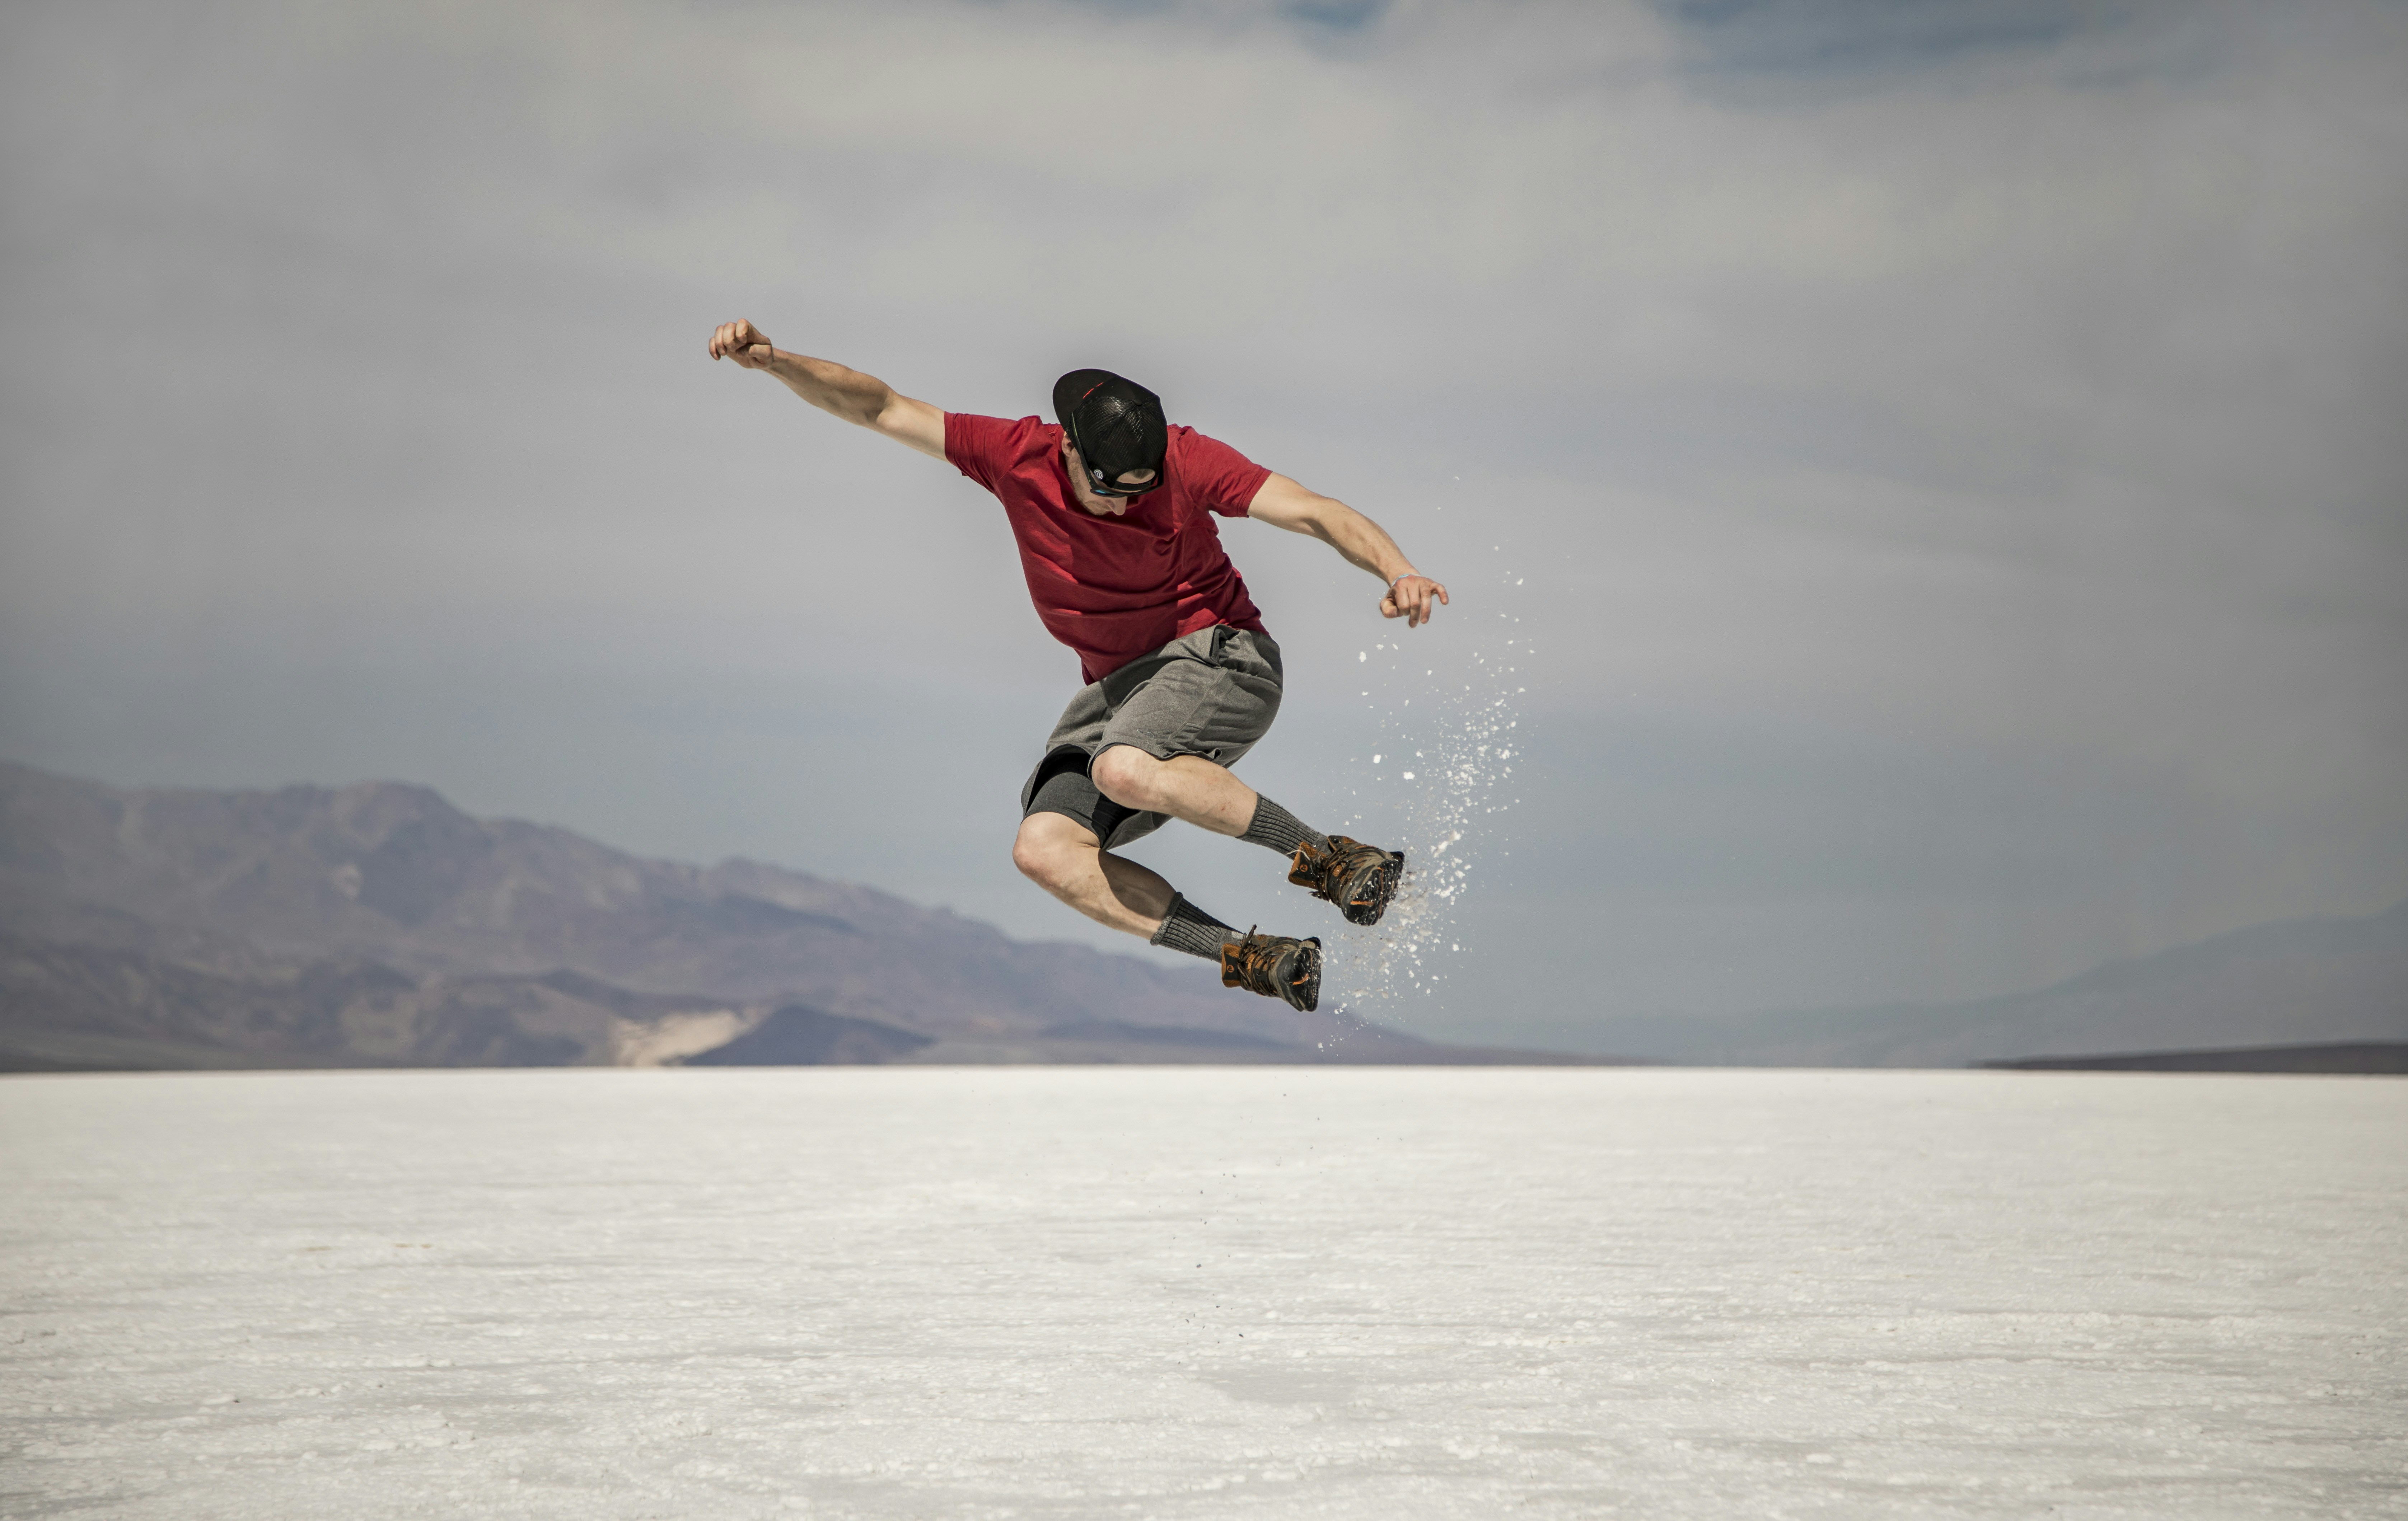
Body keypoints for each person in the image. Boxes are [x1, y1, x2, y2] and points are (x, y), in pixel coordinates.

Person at [707, 320, 1449, 1012]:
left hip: (1223, 656)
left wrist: (1397, 568)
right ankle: (1254, 954)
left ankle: (1337, 860)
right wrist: (776, 363)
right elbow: (879, 407)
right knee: (1044, 849)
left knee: (1123, 767)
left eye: (1141, 492)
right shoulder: (1011, 453)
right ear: (1068, 450)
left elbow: (1316, 510)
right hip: (1120, 693)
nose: (1127, 510)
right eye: (1109, 492)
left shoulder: (1188, 462)